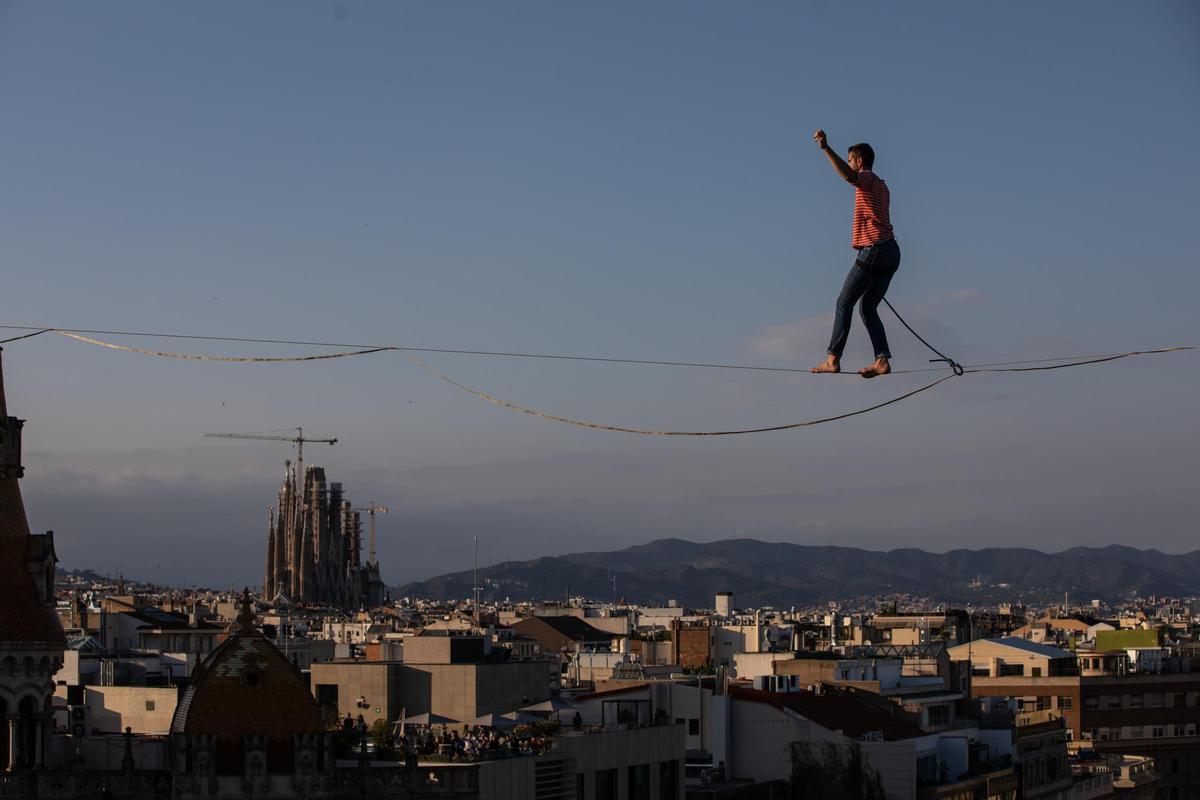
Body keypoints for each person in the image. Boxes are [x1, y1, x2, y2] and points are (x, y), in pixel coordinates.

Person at [810, 129, 900, 378]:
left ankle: (832, 358)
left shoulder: (867, 178)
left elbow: (850, 176)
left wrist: (826, 149)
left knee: (844, 302)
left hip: (875, 249)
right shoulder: (882, 185)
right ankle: (882, 360)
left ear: (859, 161)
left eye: (850, 159)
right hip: (891, 252)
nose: (849, 163)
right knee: (868, 308)